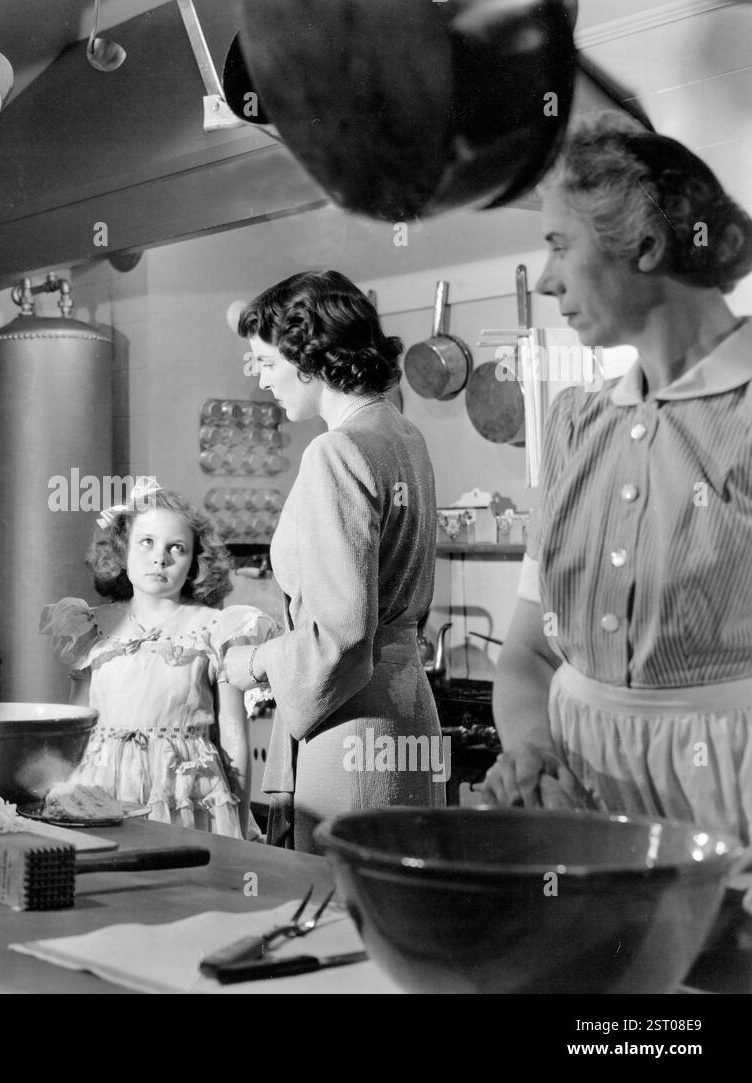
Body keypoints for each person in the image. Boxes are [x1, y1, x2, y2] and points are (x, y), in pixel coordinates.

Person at [482, 116, 752, 842]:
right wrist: (531, 747)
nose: (545, 279)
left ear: (646, 245)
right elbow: (530, 651)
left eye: (558, 245)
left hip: (727, 800)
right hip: (581, 805)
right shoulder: (576, 424)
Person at [223, 270, 444, 852]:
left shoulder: (336, 451)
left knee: (338, 909)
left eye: (267, 364)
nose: (263, 382)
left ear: (309, 356)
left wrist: (254, 661)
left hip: (354, 725)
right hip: (406, 711)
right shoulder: (404, 435)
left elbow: (343, 633)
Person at [40, 484, 274, 839]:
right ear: (122, 550)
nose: (159, 558)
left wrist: (240, 827)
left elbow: (233, 736)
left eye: (175, 548)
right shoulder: (91, 626)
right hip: (103, 790)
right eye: (146, 542)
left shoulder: (215, 629)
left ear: (195, 560)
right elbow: (75, 727)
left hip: (187, 796)